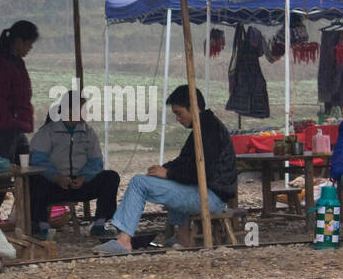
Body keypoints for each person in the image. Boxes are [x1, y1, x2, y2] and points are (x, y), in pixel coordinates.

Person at [94, 85, 237, 255]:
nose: (177, 118)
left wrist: (168, 173)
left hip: (211, 198)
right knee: (166, 180)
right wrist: (164, 170)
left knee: (139, 183)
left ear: (193, 107)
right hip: (209, 193)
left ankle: (124, 241)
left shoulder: (209, 130)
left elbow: (201, 172)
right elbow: (184, 161)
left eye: (179, 113)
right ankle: (183, 237)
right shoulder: (204, 127)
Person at [27, 92, 119, 240]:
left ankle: (100, 224)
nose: (85, 112)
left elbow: (96, 161)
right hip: (54, 185)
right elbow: (38, 160)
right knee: (33, 180)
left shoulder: (88, 132)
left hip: (81, 184)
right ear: (68, 111)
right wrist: (56, 177)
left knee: (111, 177)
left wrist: (84, 177)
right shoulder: (47, 132)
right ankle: (42, 227)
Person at [0, 20, 38, 219]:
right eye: (28, 44)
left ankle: (27, 220)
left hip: (15, 128)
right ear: (19, 41)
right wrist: (12, 122)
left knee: (27, 173)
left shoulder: (14, 61)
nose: (29, 49)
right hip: (2, 129)